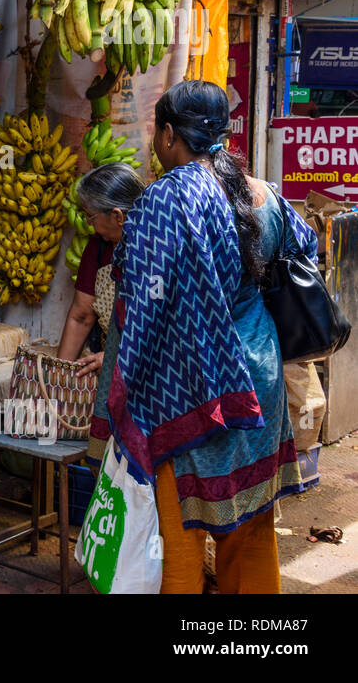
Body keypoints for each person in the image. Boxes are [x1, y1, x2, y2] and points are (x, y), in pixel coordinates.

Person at [109, 80, 317, 594]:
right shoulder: (260, 191)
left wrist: (125, 390)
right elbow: (305, 245)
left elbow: (143, 301)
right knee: (251, 523)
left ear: (167, 135)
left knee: (179, 528)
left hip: (191, 387)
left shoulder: (164, 199)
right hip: (260, 375)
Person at [55, 163, 146, 464]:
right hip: (110, 373)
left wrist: (113, 357)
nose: (88, 224)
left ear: (117, 216)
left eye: (90, 216)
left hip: (148, 376)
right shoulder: (98, 247)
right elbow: (82, 315)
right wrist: (61, 378)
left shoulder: (156, 248)